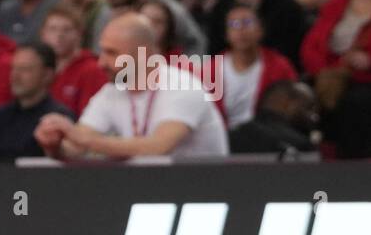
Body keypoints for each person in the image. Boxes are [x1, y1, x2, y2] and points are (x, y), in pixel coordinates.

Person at [35, 12, 228, 160]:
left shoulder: (183, 86)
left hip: (205, 191)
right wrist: (55, 144)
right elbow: (76, 146)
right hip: (157, 192)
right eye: (102, 51)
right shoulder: (111, 92)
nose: (101, 62)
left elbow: (157, 147)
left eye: (112, 53)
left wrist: (81, 138)